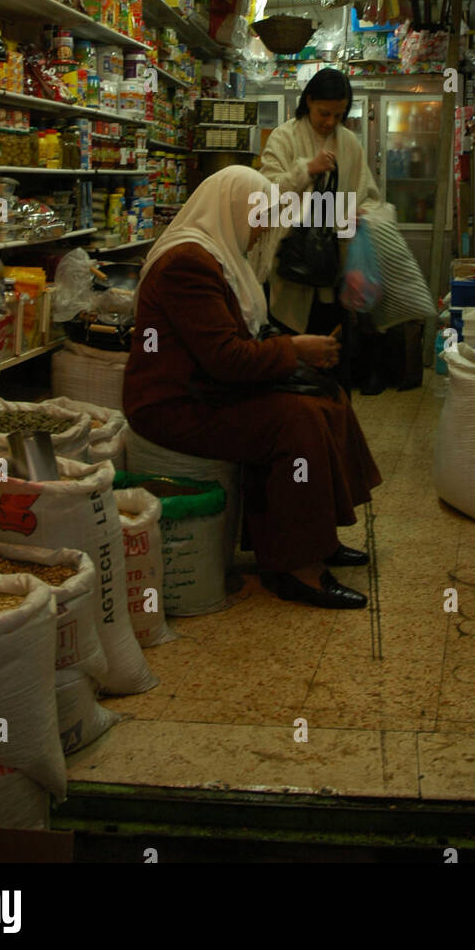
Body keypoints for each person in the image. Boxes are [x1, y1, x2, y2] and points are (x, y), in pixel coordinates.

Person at [123, 165, 382, 610]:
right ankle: (294, 566)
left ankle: (319, 537)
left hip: (207, 389)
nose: (263, 228)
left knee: (327, 395)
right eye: (259, 215)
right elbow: (226, 358)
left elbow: (241, 338)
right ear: (232, 209)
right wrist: (296, 349)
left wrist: (299, 354)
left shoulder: (219, 254)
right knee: (295, 421)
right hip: (174, 405)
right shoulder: (187, 264)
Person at [259, 68, 388, 394]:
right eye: (323, 113)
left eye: (338, 114)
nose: (330, 121)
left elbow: (369, 196)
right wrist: (307, 170)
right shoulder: (284, 137)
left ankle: (330, 421)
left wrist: (362, 214)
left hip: (334, 271)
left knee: (331, 362)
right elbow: (267, 194)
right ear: (309, 101)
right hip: (291, 265)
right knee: (293, 363)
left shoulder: (349, 144)